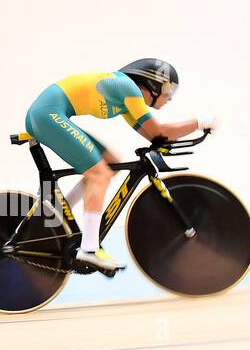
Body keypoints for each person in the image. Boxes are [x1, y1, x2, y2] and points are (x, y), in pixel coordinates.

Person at [24, 59, 218, 273]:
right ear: (153, 84)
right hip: (47, 116)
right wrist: (199, 122)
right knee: (100, 174)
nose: (169, 98)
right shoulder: (128, 89)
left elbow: (154, 136)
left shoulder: (125, 98)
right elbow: (159, 131)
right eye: (168, 90)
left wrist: (167, 140)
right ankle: (89, 249)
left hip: (47, 114)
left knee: (112, 163)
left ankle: (58, 214)